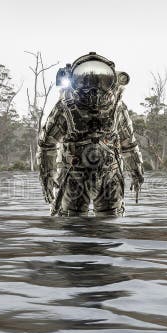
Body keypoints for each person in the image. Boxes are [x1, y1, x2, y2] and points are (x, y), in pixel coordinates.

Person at [36, 52, 144, 216]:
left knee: (110, 226)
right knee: (73, 226)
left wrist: (136, 171)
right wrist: (47, 176)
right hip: (74, 175)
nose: (94, 89)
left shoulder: (117, 108)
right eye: (86, 82)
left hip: (110, 175)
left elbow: (128, 144)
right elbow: (47, 144)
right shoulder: (65, 107)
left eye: (100, 82)